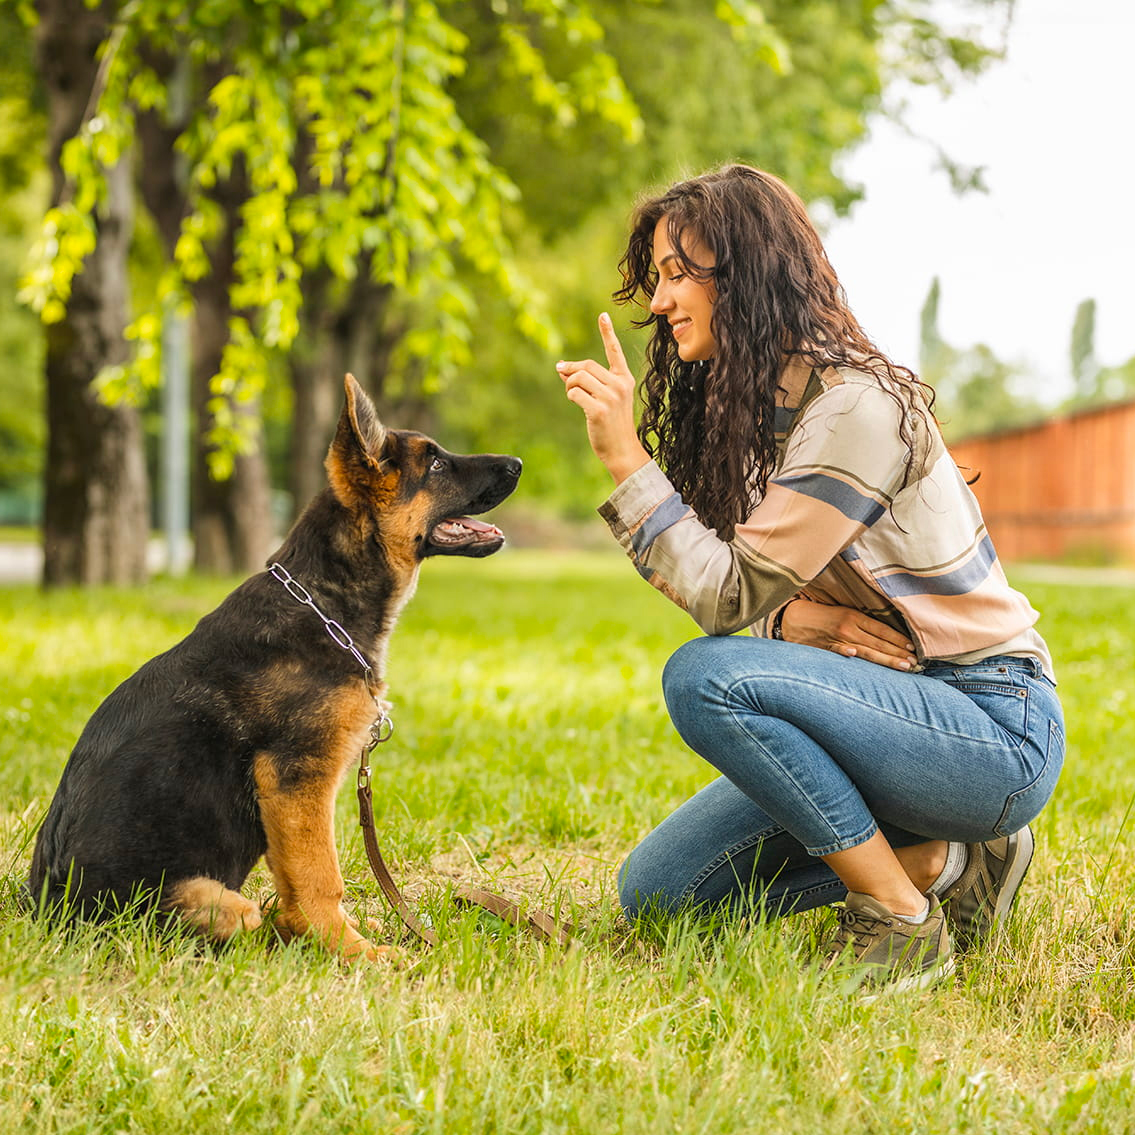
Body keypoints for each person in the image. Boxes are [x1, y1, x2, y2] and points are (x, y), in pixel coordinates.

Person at [557, 164, 1064, 991]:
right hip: (870, 714)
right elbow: (747, 596)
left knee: (703, 679)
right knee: (659, 896)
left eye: (679, 273)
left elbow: (722, 599)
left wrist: (623, 456)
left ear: (747, 274)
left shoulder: (852, 408)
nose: (656, 300)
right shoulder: (758, 414)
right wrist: (794, 626)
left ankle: (898, 916)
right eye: (656, 277)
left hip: (988, 723)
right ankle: (942, 859)